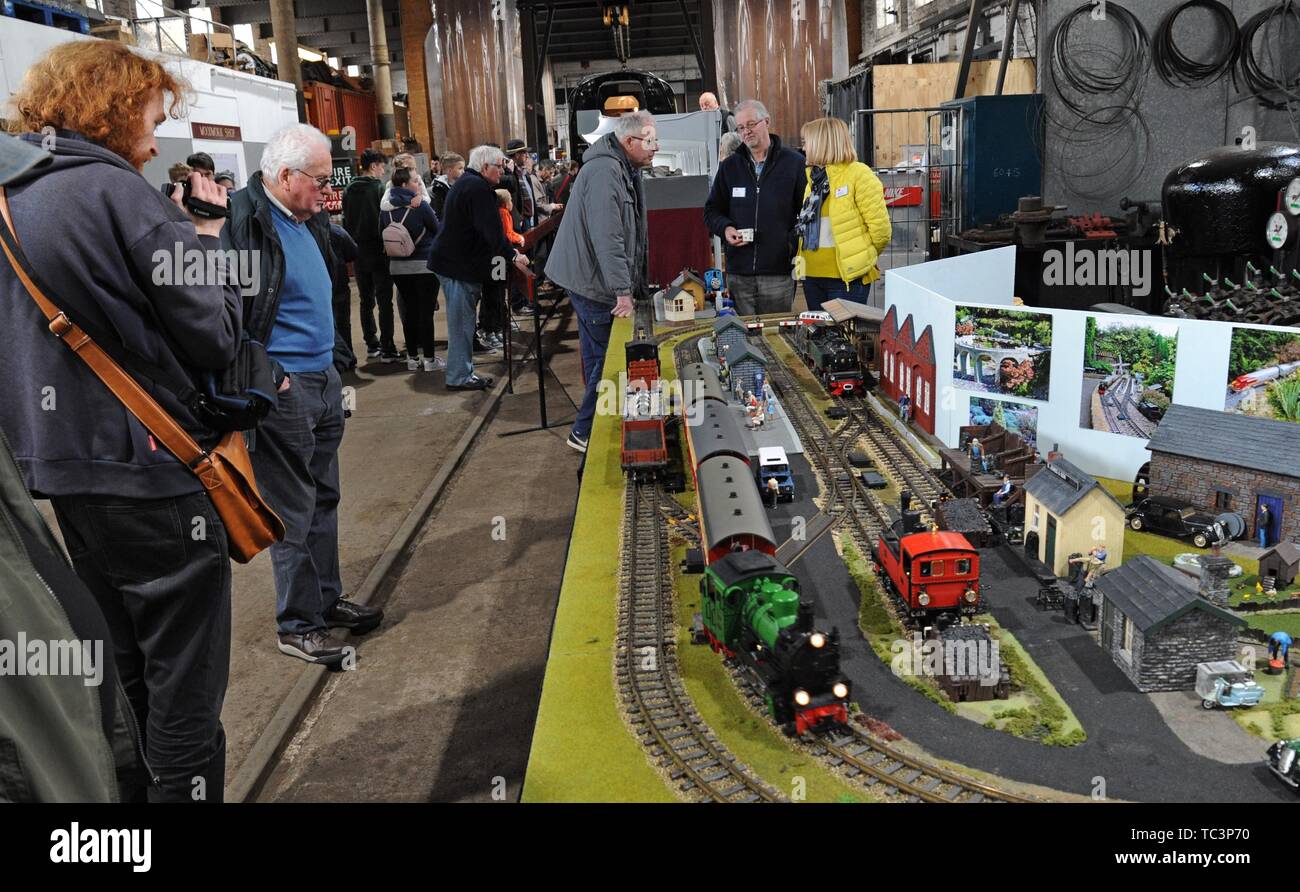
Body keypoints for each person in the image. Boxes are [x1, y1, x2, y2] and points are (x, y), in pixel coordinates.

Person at [0, 40, 240, 801]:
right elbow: (216, 331)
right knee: (186, 685)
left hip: (62, 477)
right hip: (154, 475)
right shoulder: (119, 193)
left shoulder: (11, 194)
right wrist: (206, 236)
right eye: (151, 103)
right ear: (109, 103)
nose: (161, 119)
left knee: (124, 667)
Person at [225, 123, 382, 664]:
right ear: (285, 175)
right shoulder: (246, 224)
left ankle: (324, 599)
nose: (327, 190)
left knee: (323, 499)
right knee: (291, 508)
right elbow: (229, 315)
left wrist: (336, 357)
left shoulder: (306, 219)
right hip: (285, 388)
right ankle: (296, 625)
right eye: (317, 180)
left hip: (323, 378)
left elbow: (326, 289)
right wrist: (268, 374)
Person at [545, 110, 654, 453]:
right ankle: (584, 430)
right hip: (594, 282)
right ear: (629, 141)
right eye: (650, 141)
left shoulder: (619, 166)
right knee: (609, 360)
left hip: (588, 278)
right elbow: (609, 237)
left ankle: (593, 428)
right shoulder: (607, 171)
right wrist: (623, 291)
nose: (655, 147)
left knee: (597, 360)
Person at [429, 144, 528, 391]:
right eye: (499, 166)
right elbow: (491, 230)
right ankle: (459, 376)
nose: (502, 171)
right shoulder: (477, 188)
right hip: (457, 266)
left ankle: (462, 372)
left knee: (463, 322)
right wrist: (512, 255)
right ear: (485, 167)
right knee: (462, 323)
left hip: (456, 263)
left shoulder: (470, 184)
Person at [703, 99, 805, 316]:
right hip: (739, 274)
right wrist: (726, 228)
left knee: (777, 336)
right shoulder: (729, 167)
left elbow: (806, 213)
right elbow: (711, 211)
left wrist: (789, 245)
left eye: (751, 124)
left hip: (778, 273)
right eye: (740, 128)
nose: (746, 132)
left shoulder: (794, 163)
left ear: (766, 121)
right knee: (741, 337)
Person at [795, 116, 891, 312]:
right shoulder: (813, 180)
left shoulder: (859, 174)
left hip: (846, 280)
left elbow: (881, 231)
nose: (803, 148)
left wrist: (862, 259)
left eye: (806, 142)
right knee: (821, 340)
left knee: (842, 340)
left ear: (822, 143)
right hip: (812, 277)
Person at [344, 148, 402, 362]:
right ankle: (388, 345)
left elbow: (346, 221)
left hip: (358, 250)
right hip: (379, 250)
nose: (383, 171)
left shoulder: (349, 189)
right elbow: (385, 219)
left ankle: (371, 343)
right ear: (374, 166)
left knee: (365, 300)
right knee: (384, 300)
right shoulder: (379, 188)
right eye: (381, 167)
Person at [383, 166, 443, 371]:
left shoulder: (386, 209)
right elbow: (438, 231)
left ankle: (412, 359)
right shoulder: (422, 207)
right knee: (426, 314)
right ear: (404, 184)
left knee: (409, 313)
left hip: (397, 268)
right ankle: (429, 360)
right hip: (423, 266)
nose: (419, 184)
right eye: (415, 181)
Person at [328, 220, 358, 365]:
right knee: (343, 323)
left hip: (317, 286)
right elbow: (352, 252)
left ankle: (331, 358)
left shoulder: (303, 232)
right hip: (339, 282)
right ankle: (348, 357)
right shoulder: (336, 231)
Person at [504, 139, 537, 231]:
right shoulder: (510, 174)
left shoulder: (524, 173)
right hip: (521, 220)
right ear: (517, 155)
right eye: (524, 153)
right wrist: (519, 218)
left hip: (529, 218)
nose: (527, 156)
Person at [429, 151, 463, 219]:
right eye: (460, 168)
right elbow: (440, 213)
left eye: (463, 168)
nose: (463, 171)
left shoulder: (462, 184)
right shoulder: (440, 189)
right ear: (449, 170)